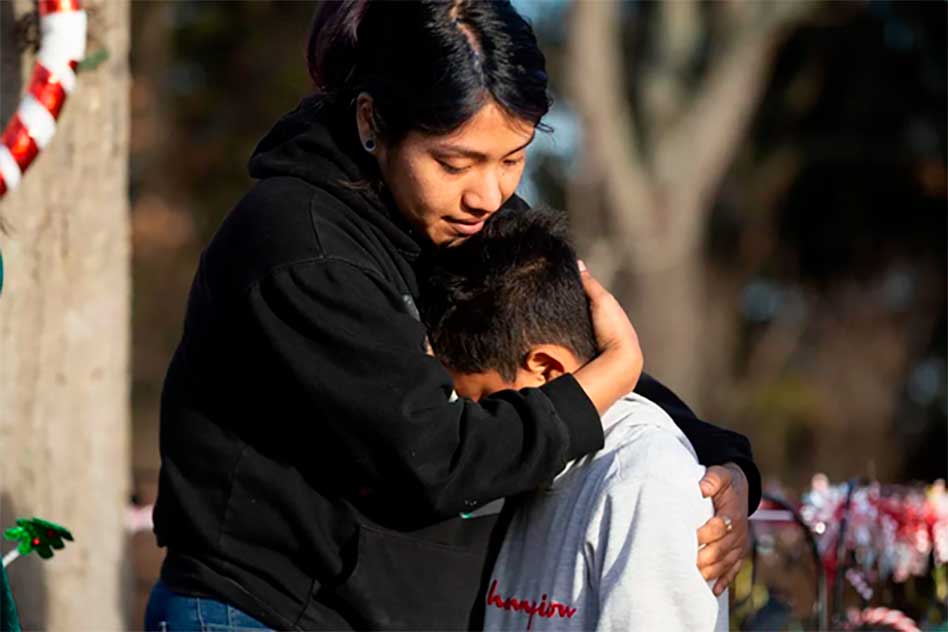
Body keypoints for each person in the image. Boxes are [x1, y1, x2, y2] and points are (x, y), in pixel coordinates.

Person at [146, 1, 759, 630]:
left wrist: (720, 468)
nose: (488, 194)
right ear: (371, 124)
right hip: (261, 612)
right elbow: (435, 458)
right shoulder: (301, 246)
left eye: (513, 158)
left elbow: (567, 364)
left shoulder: (479, 226)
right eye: (455, 162)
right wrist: (615, 370)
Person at [422, 207, 729, 631]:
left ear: (547, 370)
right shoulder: (535, 467)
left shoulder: (646, 482)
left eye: (484, 401)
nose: (476, 428)